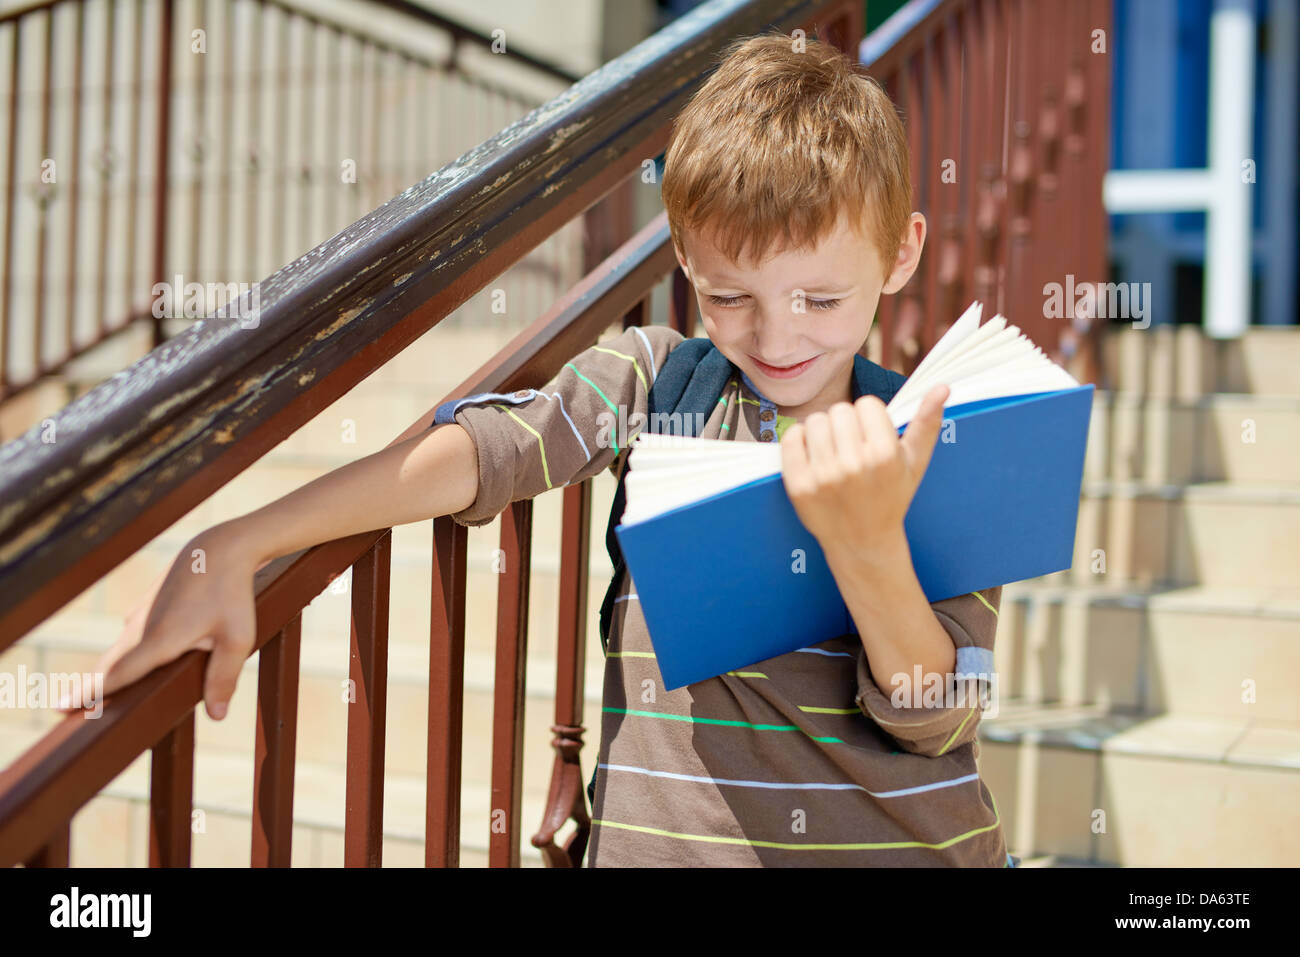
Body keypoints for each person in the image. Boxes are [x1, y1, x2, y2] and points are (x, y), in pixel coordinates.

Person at [80, 31, 1011, 867]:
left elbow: (935, 715)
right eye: (732, 296)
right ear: (684, 256)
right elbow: (490, 451)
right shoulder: (662, 387)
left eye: (820, 299)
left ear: (900, 252)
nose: (776, 337)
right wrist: (242, 541)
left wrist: (867, 543)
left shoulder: (938, 439)